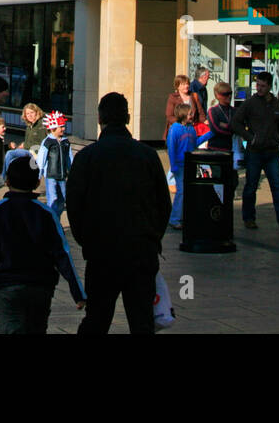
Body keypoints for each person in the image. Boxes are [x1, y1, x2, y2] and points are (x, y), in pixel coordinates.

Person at [66, 91, 171, 335]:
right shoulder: (147, 155)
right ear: (127, 117)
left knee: (97, 318)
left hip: (102, 252)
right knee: (142, 319)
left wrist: (87, 240)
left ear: (100, 119)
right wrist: (152, 237)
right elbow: (164, 204)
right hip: (141, 250)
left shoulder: (87, 158)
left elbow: (74, 207)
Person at [0, 152, 85, 333]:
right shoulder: (46, 213)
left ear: (7, 182)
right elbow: (62, 254)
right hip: (39, 286)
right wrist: (77, 293)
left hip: (6, 286)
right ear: (36, 184)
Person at [232, 71, 279, 232]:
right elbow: (235, 123)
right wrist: (249, 137)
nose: (259, 88)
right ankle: (249, 218)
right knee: (251, 186)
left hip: (272, 151)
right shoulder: (250, 103)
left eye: (262, 86)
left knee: (277, 186)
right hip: (255, 151)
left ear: (269, 86)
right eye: (257, 85)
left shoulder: (277, 104)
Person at [166, 101, 212, 229]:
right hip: (180, 165)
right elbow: (171, 147)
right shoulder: (175, 129)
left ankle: (183, 216)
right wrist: (173, 165)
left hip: (189, 163)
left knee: (188, 191)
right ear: (184, 114)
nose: (192, 115)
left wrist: (209, 134)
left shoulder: (191, 128)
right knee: (181, 191)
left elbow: (195, 142)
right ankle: (174, 218)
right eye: (190, 113)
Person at [35, 111, 72, 220]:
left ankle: (55, 219)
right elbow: (41, 160)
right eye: (61, 127)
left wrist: (71, 171)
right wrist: (38, 175)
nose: (63, 129)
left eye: (64, 126)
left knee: (61, 200)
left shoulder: (65, 141)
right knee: (53, 199)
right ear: (52, 128)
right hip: (51, 176)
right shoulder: (48, 142)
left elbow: (69, 158)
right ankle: (52, 221)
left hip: (62, 176)